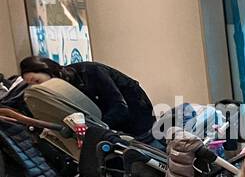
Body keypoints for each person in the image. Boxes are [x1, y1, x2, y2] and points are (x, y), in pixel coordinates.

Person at [15, 56, 155, 140]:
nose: (36, 87)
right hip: (111, 123)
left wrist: (96, 130)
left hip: (136, 116)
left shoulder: (91, 71)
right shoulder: (62, 87)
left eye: (37, 81)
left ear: (49, 71)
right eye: (30, 84)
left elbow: (120, 107)